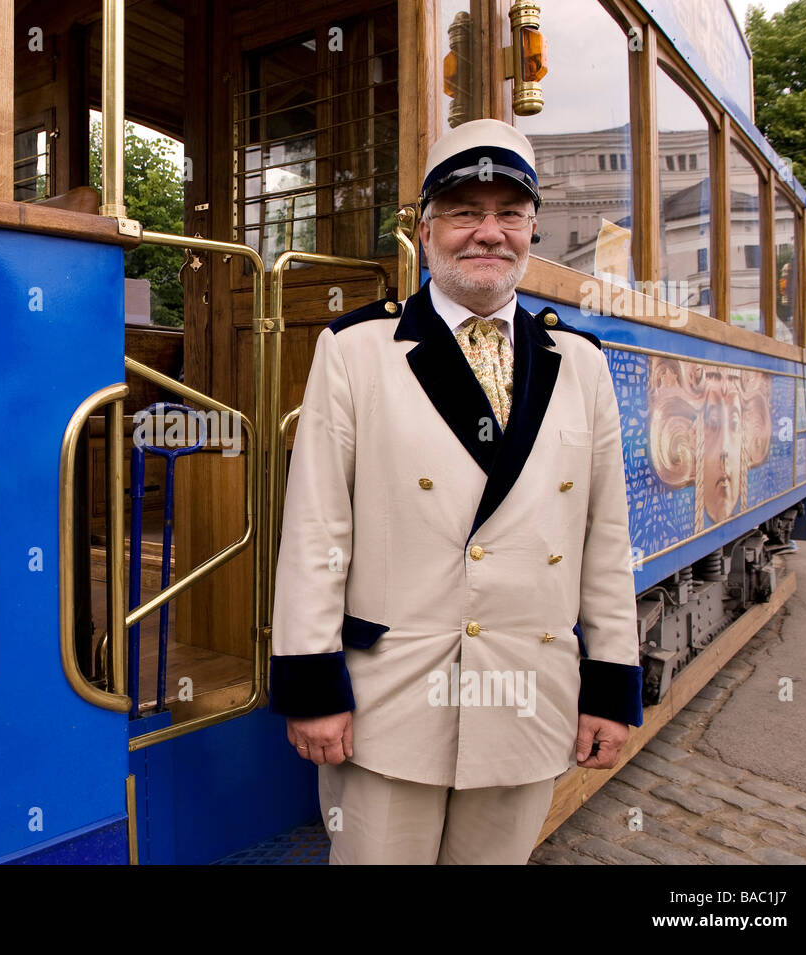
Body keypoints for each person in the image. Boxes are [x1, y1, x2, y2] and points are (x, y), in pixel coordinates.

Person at [269, 118, 643, 865]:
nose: (488, 232)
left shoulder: (581, 364)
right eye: (466, 211)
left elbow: (603, 539)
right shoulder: (354, 350)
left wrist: (610, 684)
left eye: (508, 212)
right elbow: (317, 529)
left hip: (526, 698)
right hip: (389, 705)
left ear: (533, 228)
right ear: (427, 228)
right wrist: (312, 683)